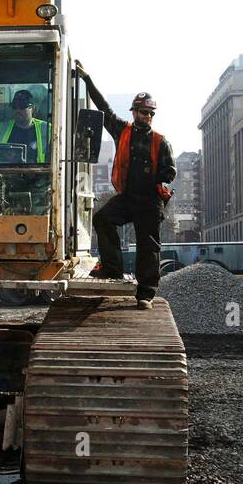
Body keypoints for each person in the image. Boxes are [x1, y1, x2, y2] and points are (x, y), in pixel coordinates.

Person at [78, 65, 177, 308]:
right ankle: (112, 269)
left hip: (150, 200)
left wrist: (153, 176)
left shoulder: (160, 142)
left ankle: (146, 294)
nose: (148, 116)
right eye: (144, 112)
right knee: (103, 219)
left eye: (151, 113)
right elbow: (103, 108)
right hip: (128, 197)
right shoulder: (122, 131)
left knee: (148, 246)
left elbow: (170, 171)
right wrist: (87, 79)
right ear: (134, 112)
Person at [0, 89, 50, 163]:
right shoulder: (0, 128)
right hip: (8, 173)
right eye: (14, 107)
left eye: (22, 106)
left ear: (32, 108)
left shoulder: (47, 129)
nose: (18, 110)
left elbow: (53, 159)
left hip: (37, 173)